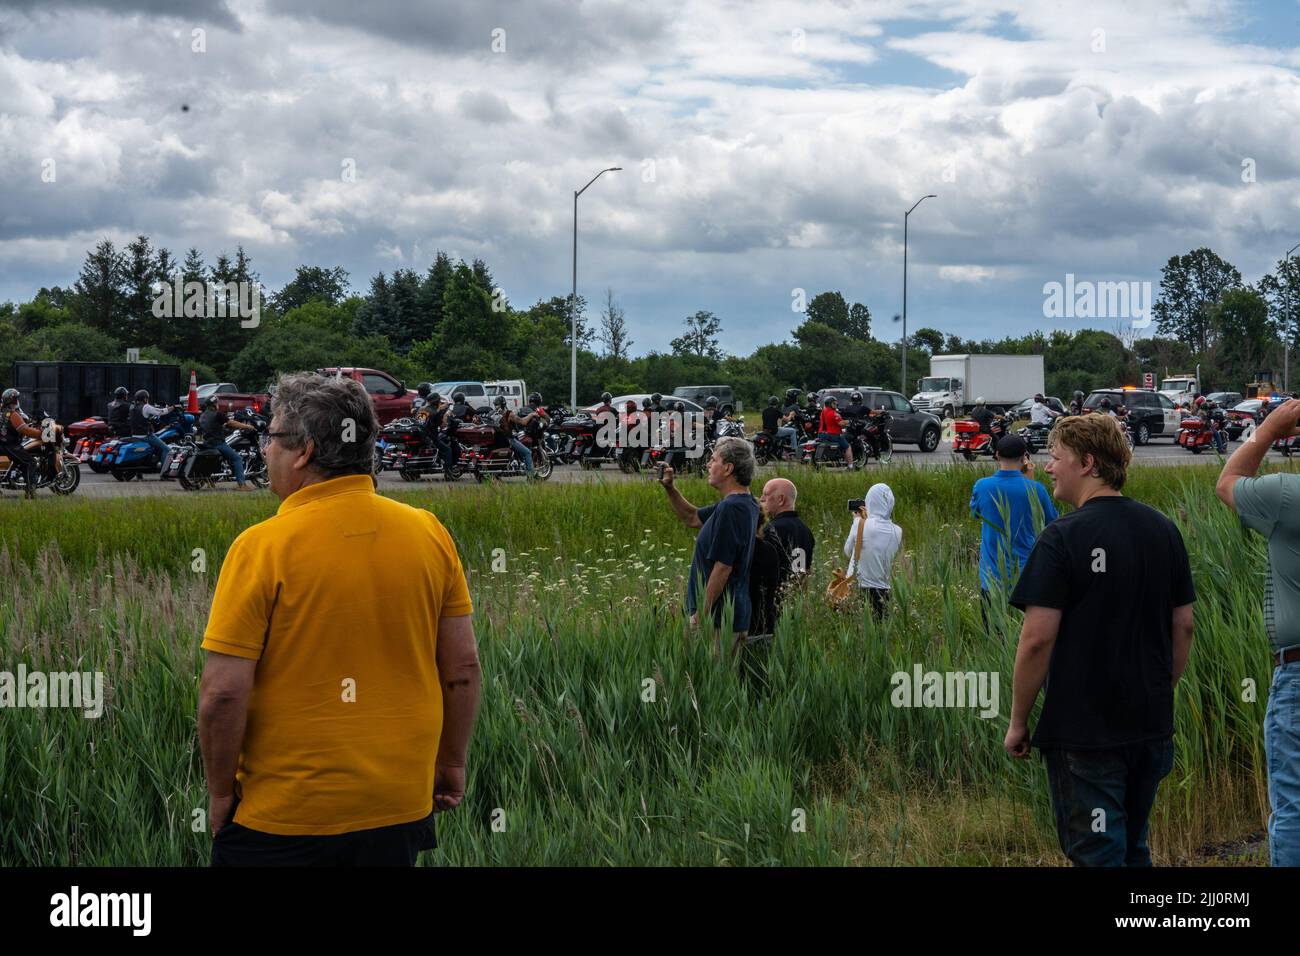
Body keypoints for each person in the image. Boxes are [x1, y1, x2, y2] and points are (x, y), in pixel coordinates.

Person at [199, 372, 480, 866]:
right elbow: (462, 670)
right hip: (397, 808)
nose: (265, 452)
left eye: (271, 439)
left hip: (285, 816)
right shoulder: (428, 533)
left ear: (304, 451)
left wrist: (221, 795)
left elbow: (223, 693)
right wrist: (452, 762)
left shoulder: (261, 547)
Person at [1006, 413, 1195, 867]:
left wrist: (1018, 721)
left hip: (1085, 732)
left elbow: (1036, 640)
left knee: (1098, 853)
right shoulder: (1163, 530)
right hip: (1148, 725)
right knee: (1133, 845)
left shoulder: (1062, 537)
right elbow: (1184, 624)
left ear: (1087, 462)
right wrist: (1159, 688)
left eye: (1056, 458)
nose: (1048, 467)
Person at [1215, 396, 1300, 867]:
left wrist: (1267, 430)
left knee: (1294, 809)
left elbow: (1227, 483)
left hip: (1298, 668)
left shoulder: (1289, 497)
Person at [659, 437, 760, 657]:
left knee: (700, 685)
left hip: (718, 620)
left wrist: (700, 616)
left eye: (713, 460)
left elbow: (723, 567)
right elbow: (693, 517)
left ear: (728, 468)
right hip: (730, 617)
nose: (708, 465)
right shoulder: (744, 502)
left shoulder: (731, 508)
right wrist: (670, 489)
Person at [969, 434, 1058, 628]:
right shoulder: (1036, 489)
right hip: (1025, 576)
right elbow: (1051, 522)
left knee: (993, 636)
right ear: (1025, 456)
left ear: (997, 455)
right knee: (1021, 635)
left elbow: (976, 514)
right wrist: (1030, 480)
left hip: (991, 577)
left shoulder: (982, 486)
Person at [748, 477, 815, 638]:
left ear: (781, 499)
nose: (761, 499)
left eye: (765, 494)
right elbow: (805, 572)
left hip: (770, 606)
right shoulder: (806, 531)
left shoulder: (772, 530)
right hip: (793, 603)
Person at [845, 482, 902, 620]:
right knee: (879, 634)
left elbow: (847, 551)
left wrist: (857, 520)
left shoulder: (860, 524)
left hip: (859, 588)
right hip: (884, 591)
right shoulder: (898, 531)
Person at [197, 395, 255, 491]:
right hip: (217, 443)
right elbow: (232, 423)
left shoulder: (203, 415)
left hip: (207, 442)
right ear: (214, 404)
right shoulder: (217, 414)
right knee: (237, 458)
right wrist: (247, 426)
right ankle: (242, 485)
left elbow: (213, 425)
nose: (218, 404)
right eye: (217, 403)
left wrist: (223, 426)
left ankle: (210, 481)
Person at [0, 388, 41, 497]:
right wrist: (41, 434)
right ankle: (30, 492)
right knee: (30, 462)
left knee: (22, 460)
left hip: (3, 443)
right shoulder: (13, 414)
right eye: (17, 398)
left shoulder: (2, 411)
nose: (18, 401)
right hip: (10, 445)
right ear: (13, 400)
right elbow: (24, 430)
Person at [130, 389, 177, 478]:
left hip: (134, 435)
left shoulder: (133, 407)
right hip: (145, 435)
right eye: (147, 398)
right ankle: (165, 473)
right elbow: (160, 412)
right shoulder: (146, 407)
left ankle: (139, 473)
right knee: (166, 449)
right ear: (145, 399)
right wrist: (173, 407)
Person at [491, 396, 534, 478]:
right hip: (509, 439)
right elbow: (523, 422)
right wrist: (532, 414)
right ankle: (531, 477)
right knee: (528, 452)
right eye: (496, 405)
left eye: (497, 405)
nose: (496, 407)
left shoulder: (493, 414)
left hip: (498, 440)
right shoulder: (509, 414)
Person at [817, 395, 854, 469]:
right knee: (848, 447)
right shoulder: (834, 413)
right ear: (829, 404)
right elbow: (841, 423)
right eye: (834, 403)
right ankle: (850, 466)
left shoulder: (823, 412)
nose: (836, 404)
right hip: (833, 435)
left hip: (821, 434)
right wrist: (849, 421)